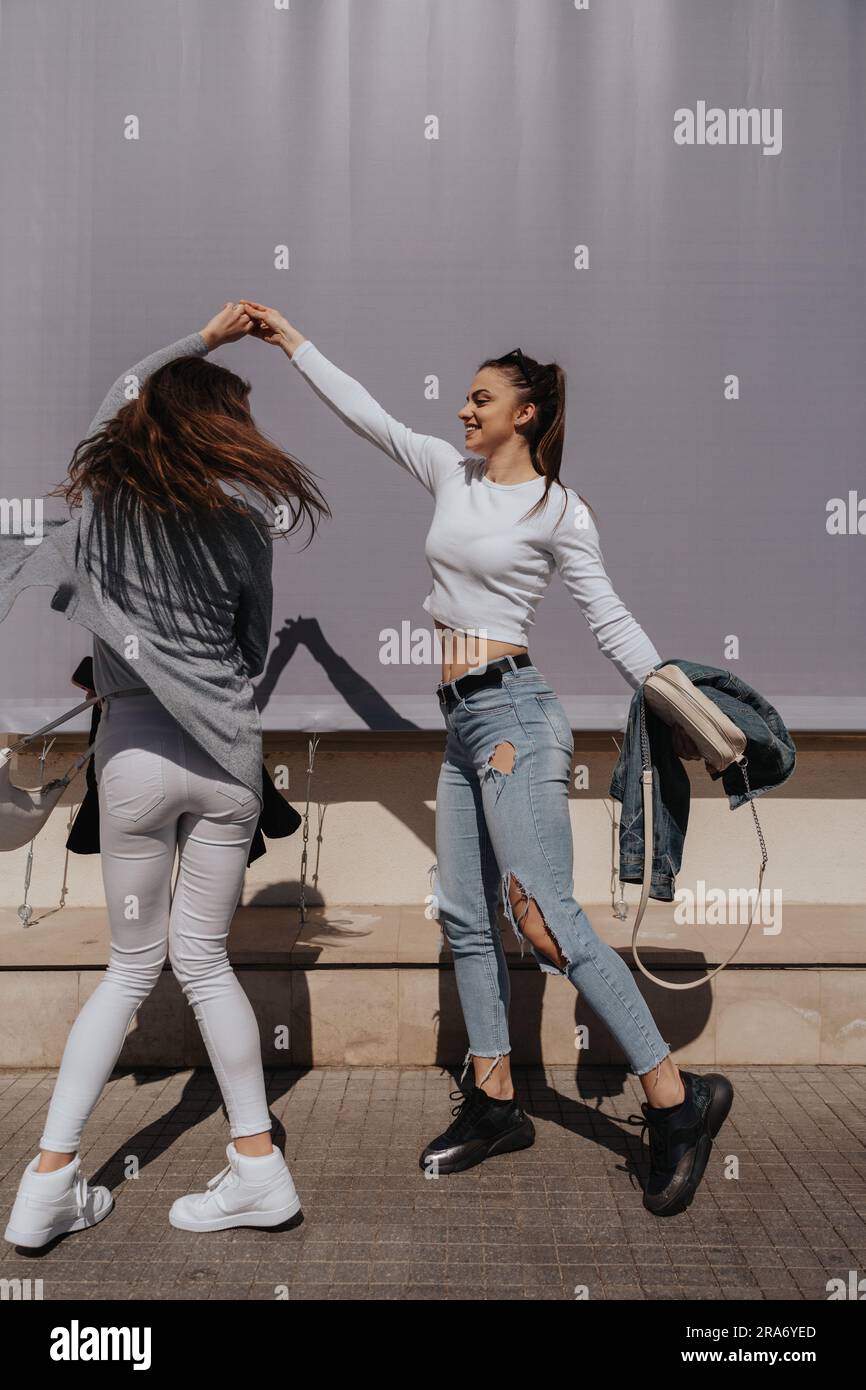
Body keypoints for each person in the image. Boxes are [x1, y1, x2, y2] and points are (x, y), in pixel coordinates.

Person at [237, 300, 734, 1218]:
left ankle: (676, 1100)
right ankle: (500, 1102)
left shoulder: (558, 509)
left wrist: (683, 701)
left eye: (480, 399)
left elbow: (610, 619)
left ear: (526, 414)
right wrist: (292, 341)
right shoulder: (448, 472)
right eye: (465, 401)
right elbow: (368, 415)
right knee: (467, 916)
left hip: (515, 716)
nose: (463, 412)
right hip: (460, 723)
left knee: (546, 920)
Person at [3, 304, 331, 1248]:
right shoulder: (246, 525)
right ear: (220, 429)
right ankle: (258, 1170)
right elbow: (247, 644)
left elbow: (120, 395)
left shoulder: (104, 509)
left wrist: (207, 335)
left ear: (150, 417)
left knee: (129, 971)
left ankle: (48, 1184)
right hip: (228, 763)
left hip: (138, 758)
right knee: (205, 964)